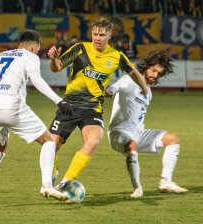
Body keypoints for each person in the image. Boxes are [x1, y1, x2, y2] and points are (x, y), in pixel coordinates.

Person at [0, 30, 73, 207]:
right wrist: (59, 101)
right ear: (34, 46)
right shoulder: (30, 57)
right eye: (37, 50)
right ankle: (47, 184)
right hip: (12, 106)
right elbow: (37, 80)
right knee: (48, 141)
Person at [47, 18, 149, 189]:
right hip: (69, 106)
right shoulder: (80, 48)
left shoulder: (116, 56)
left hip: (92, 109)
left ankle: (65, 183)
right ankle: (51, 175)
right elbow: (56, 67)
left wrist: (144, 88)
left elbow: (133, 72)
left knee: (93, 142)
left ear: (109, 36)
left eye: (102, 35)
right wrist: (53, 59)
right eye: (95, 34)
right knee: (51, 146)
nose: (97, 38)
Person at [106, 49, 188, 198]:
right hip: (118, 132)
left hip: (138, 133)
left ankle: (166, 182)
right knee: (131, 144)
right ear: (146, 66)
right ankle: (137, 188)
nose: (155, 75)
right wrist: (110, 91)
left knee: (172, 140)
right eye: (154, 70)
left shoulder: (148, 92)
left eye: (159, 73)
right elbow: (114, 87)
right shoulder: (129, 80)